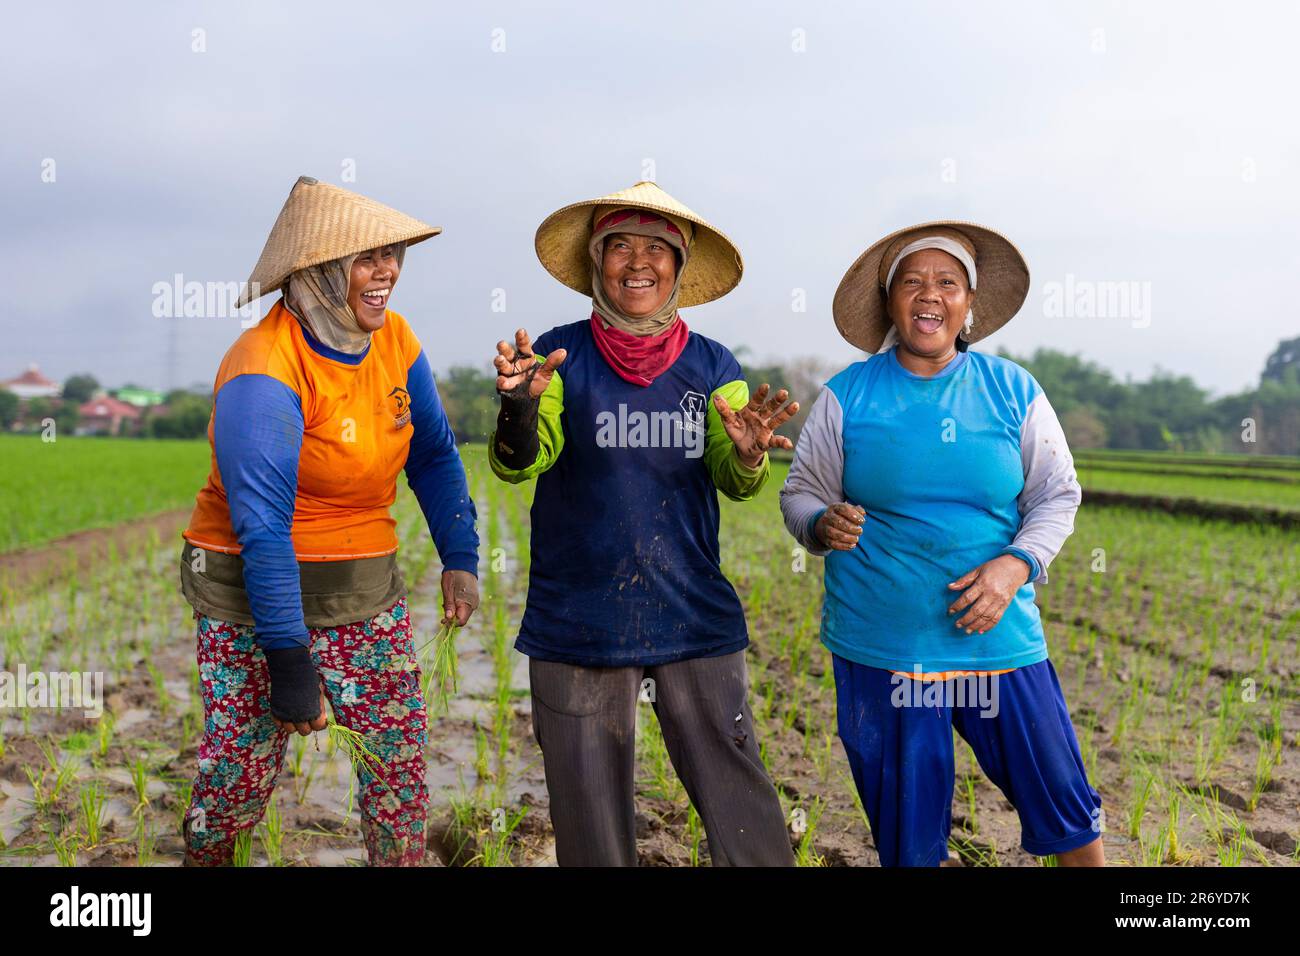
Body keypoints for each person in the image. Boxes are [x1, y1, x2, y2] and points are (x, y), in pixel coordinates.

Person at [489, 181, 799, 866]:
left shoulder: (712, 364)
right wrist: (516, 407)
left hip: (692, 612)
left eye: (656, 248)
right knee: (590, 819)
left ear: (679, 266)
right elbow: (521, 461)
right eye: (619, 246)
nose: (638, 262)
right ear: (597, 263)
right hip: (578, 617)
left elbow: (732, 471)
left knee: (739, 802)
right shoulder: (557, 355)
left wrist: (747, 453)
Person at [780, 221, 1104, 867]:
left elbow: (1056, 495)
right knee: (909, 836)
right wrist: (821, 525)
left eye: (947, 282)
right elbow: (801, 493)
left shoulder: (1013, 390)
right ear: (891, 303)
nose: (930, 295)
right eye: (912, 282)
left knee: (1064, 804)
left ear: (968, 304)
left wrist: (1016, 566)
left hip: (1000, 640)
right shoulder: (849, 395)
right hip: (885, 646)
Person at [177, 176, 480, 866]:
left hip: (362, 587)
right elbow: (262, 529)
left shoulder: (395, 341)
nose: (389, 272)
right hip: (249, 595)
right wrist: (288, 661)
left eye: (393, 254)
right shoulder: (262, 369)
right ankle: (206, 854)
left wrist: (460, 556)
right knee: (237, 775)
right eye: (367, 258)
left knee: (397, 761)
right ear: (316, 272)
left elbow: (432, 454)